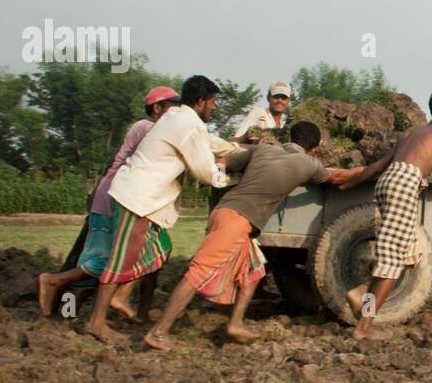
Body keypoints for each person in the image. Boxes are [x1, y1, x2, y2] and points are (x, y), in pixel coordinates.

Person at [142, 121, 358, 351]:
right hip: (236, 220)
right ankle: (158, 332)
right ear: (315, 148)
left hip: (228, 213)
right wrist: (378, 167)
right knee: (198, 273)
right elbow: (338, 178)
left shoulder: (263, 149)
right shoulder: (307, 163)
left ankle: (235, 324)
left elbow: (225, 162)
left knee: (254, 271)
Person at [83, 75, 228, 344]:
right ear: (200, 102)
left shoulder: (177, 119)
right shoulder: (188, 126)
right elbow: (207, 173)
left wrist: (234, 146)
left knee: (161, 249)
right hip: (136, 198)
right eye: (213, 102)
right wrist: (222, 169)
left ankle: (121, 296)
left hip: (141, 198)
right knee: (121, 260)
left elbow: (207, 142)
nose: (214, 107)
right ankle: (96, 322)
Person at [36, 85, 182, 319]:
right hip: (115, 199)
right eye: (173, 108)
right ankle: (58, 294)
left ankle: (67, 309)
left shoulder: (149, 130)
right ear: (157, 108)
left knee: (105, 260)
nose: (178, 115)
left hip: (117, 199)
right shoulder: (148, 128)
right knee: (103, 261)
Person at [338, 85, 432, 340]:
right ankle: (363, 326)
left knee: (407, 254)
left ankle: (362, 294)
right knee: (393, 262)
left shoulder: (410, 132)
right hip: (405, 184)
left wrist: (350, 183)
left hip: (388, 181)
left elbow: (378, 165)